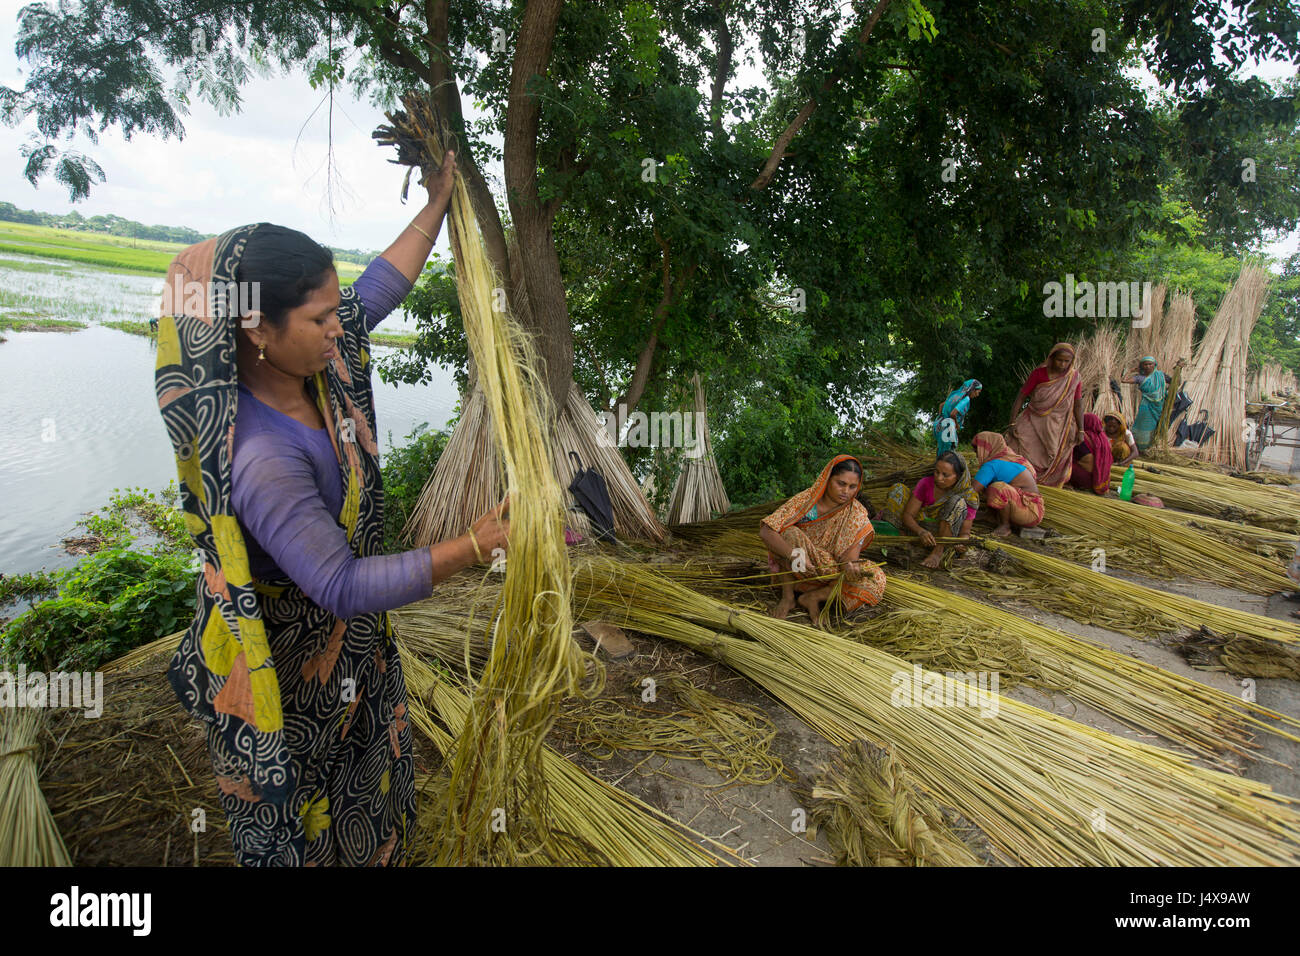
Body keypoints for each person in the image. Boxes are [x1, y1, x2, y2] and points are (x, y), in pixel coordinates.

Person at [156, 152, 511, 867]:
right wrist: (471, 548)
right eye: (319, 316)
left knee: (367, 790)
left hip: (349, 645)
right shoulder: (261, 456)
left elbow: (378, 287)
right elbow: (341, 585)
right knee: (308, 820)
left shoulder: (315, 359)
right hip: (291, 672)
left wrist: (438, 203)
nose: (337, 327)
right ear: (256, 327)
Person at [760, 455, 887, 625]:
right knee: (789, 534)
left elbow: (848, 557)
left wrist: (850, 566)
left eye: (852, 487)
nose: (846, 491)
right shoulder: (807, 501)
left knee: (876, 576)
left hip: (831, 574)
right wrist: (794, 555)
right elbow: (767, 531)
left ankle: (814, 597)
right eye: (841, 484)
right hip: (799, 568)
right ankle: (788, 597)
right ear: (827, 479)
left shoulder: (856, 514)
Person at [877, 451, 978, 568]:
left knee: (958, 502)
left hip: (945, 537)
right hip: (920, 532)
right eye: (937, 472)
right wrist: (920, 531)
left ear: (959, 477)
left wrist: (961, 542)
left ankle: (937, 552)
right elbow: (908, 515)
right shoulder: (926, 483)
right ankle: (903, 541)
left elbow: (965, 533)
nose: (939, 478)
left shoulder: (968, 496)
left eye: (946, 475)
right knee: (898, 490)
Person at [1007, 342, 1084, 487]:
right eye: (1059, 360)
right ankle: (1018, 480)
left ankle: (1039, 485)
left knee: (1051, 455)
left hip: (1057, 424)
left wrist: (1081, 429)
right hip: (1032, 418)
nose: (1062, 364)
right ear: (1052, 358)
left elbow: (1078, 403)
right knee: (1017, 443)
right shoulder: (1039, 374)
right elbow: (1021, 396)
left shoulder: (1073, 378)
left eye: (1066, 361)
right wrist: (1012, 422)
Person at [971, 431, 1044, 537]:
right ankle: (990, 515)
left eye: (977, 450)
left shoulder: (992, 465)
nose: (977, 455)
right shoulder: (1012, 459)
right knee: (990, 484)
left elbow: (972, 491)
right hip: (1033, 509)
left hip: (1029, 512)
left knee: (997, 488)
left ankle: (1004, 526)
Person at [1125, 356, 1167, 450]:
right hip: (1146, 406)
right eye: (1145, 364)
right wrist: (1131, 371)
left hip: (1159, 407)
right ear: (1142, 366)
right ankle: (1139, 447)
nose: (1148, 366)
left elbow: (1175, 382)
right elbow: (1124, 380)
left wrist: (1178, 370)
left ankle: (1150, 447)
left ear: (1154, 365)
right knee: (1143, 424)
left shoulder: (1160, 376)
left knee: (1156, 426)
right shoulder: (1140, 378)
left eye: (1150, 364)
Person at [1067, 413, 1115, 495]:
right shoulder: (1104, 440)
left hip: (1086, 480)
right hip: (1101, 479)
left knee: (1064, 464)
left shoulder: (1082, 438)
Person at [934, 379, 983, 454]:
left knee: (941, 450)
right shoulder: (966, 399)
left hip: (938, 425)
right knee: (949, 453)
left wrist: (942, 418)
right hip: (948, 427)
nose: (977, 395)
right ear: (972, 389)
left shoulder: (955, 395)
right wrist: (956, 425)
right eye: (978, 392)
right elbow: (953, 414)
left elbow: (941, 405)